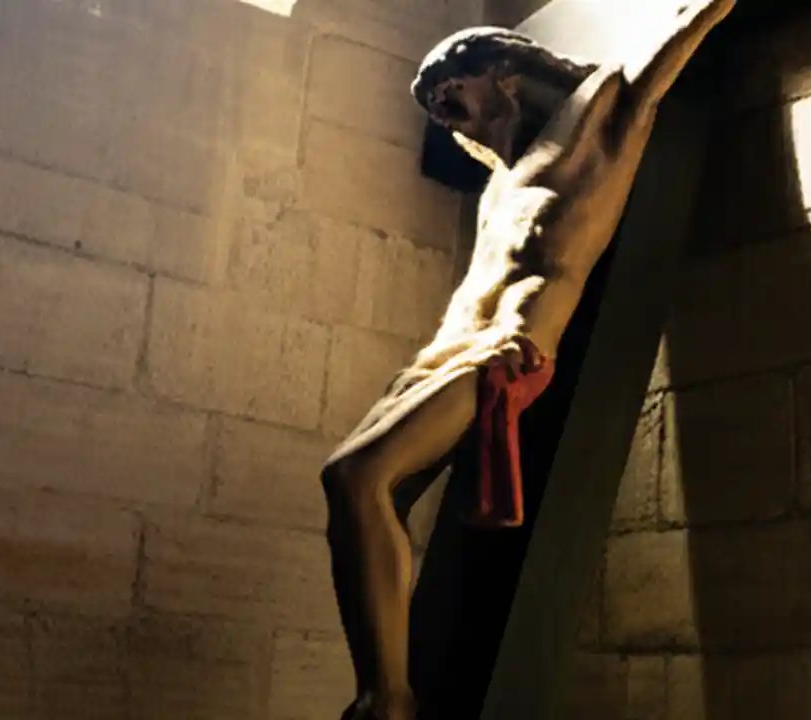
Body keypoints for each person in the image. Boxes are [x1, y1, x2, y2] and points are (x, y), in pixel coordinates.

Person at [319, 3, 735, 717]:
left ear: (504, 71)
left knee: (357, 476)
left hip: (503, 355)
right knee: (347, 488)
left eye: (450, 78)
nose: (438, 100)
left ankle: (387, 699)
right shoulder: (501, 182)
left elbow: (676, 45)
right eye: (430, 98)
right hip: (442, 357)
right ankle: (384, 680)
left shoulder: (599, 128)